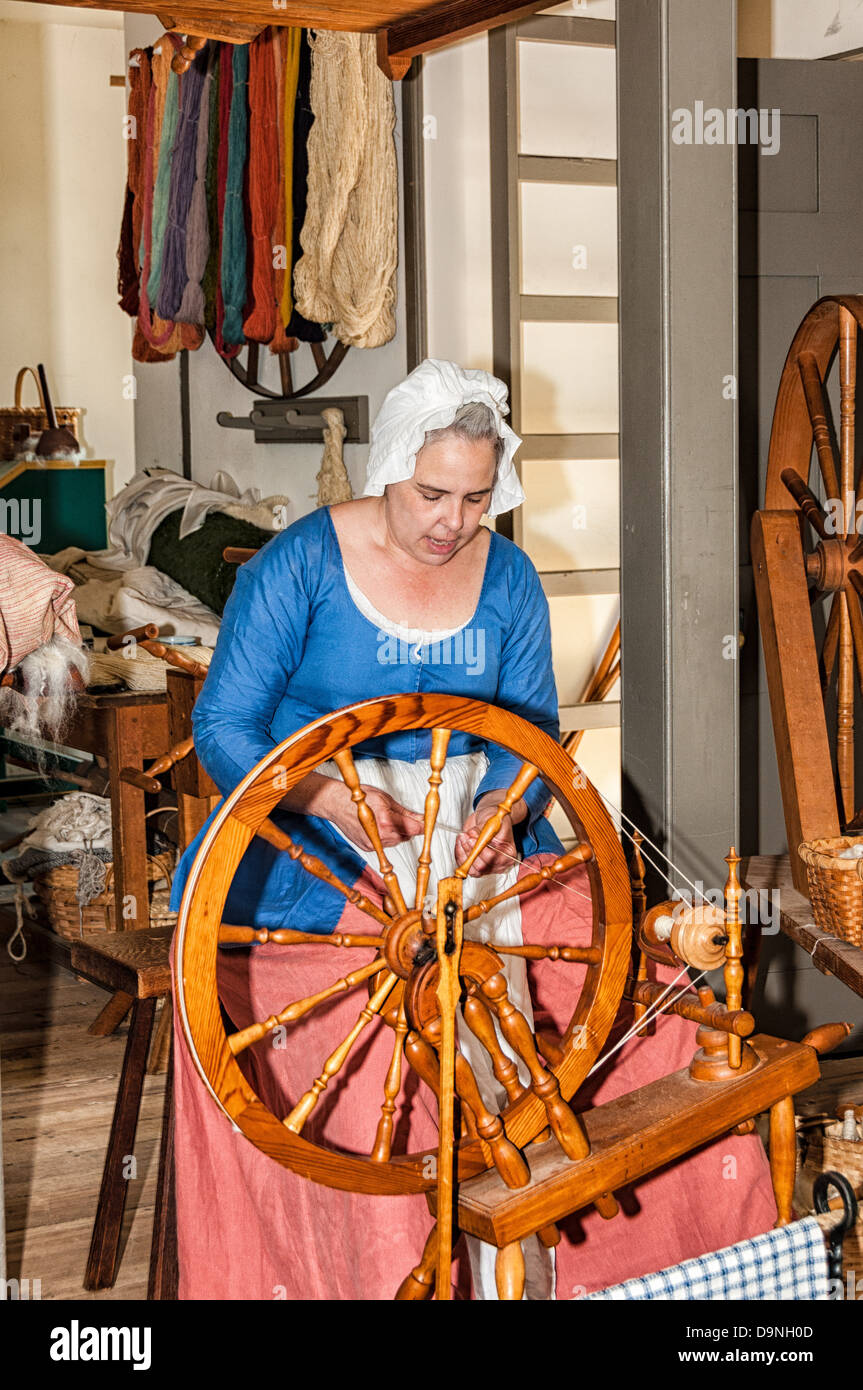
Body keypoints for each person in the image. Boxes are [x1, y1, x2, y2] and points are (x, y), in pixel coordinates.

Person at [169, 358, 777, 1301]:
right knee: (381, 1030)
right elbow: (223, 730)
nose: (451, 521)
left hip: (474, 834)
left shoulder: (507, 578)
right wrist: (331, 800)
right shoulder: (301, 563)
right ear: (389, 469)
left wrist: (496, 816)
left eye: (476, 497)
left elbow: (526, 733)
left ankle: (644, 1270)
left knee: (638, 984)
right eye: (430, 494)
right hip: (310, 848)